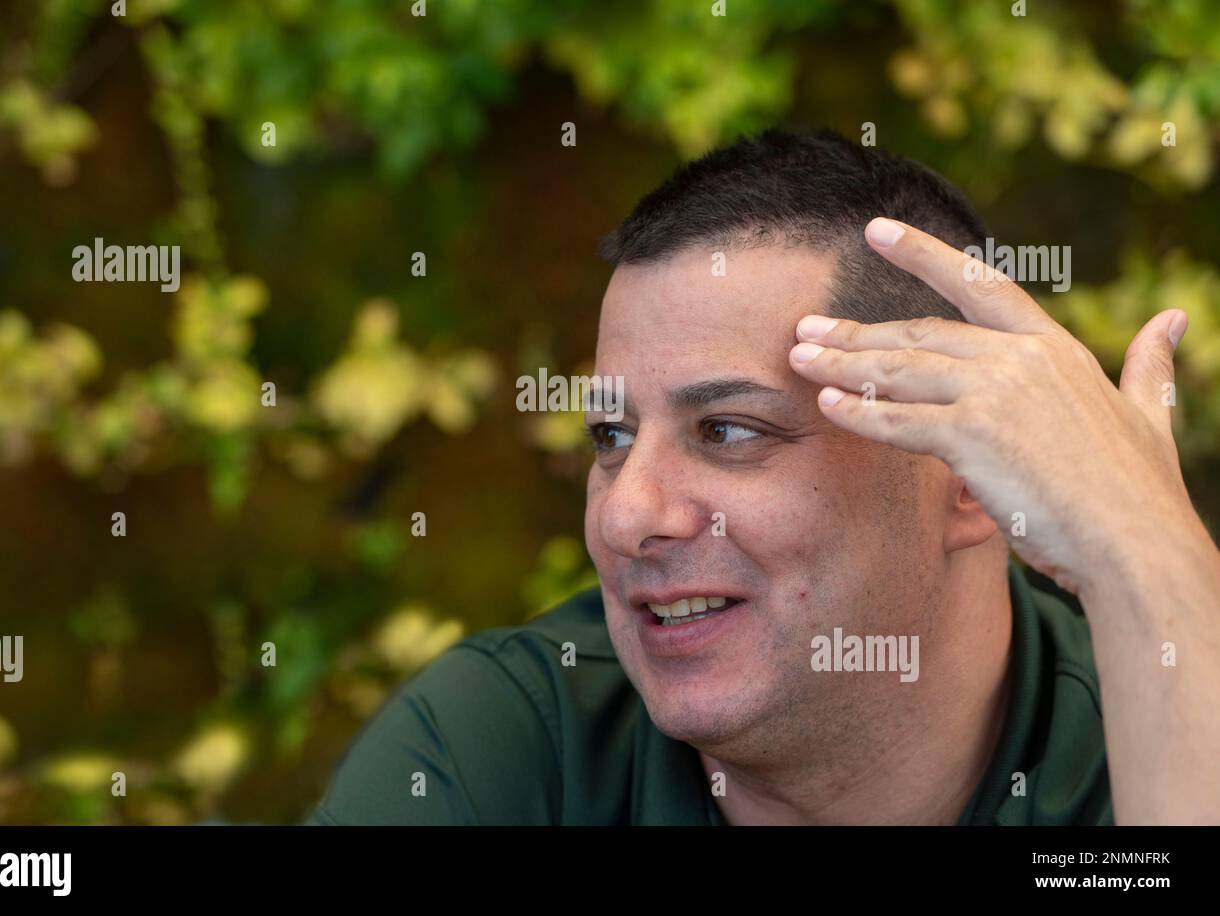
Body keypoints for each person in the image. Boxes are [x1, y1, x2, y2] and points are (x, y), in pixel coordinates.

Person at [309, 129, 1220, 825]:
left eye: (729, 429)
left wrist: (1149, 559)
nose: (628, 515)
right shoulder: (505, 752)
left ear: (972, 476)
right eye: (611, 435)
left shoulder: (1142, 724)